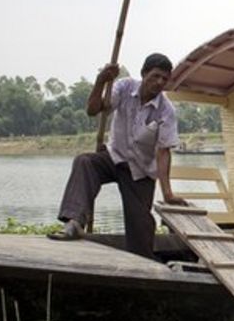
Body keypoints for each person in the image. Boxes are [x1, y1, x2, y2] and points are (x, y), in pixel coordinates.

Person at [50, 53, 186, 260]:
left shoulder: (166, 110)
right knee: (85, 162)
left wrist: (167, 193)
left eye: (164, 79)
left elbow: (163, 151)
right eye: (156, 76)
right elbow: (93, 110)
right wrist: (100, 81)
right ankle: (74, 222)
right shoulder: (124, 87)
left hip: (140, 172)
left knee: (140, 229)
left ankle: (145, 264)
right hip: (114, 157)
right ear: (143, 74)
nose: (159, 82)